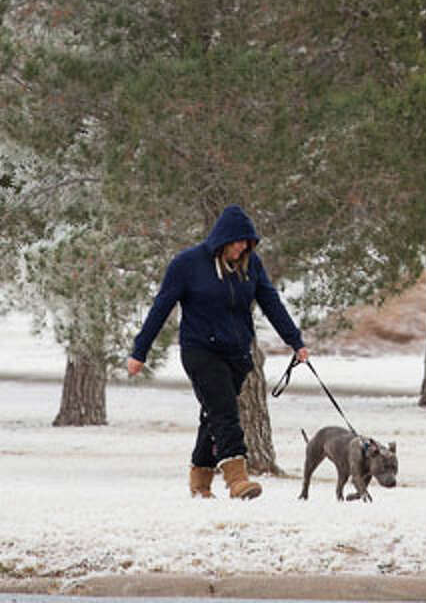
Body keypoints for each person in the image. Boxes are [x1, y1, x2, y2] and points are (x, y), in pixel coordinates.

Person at [126, 204, 308, 499]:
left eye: (246, 242)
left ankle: (200, 482)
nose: (242, 247)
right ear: (222, 239)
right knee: (225, 412)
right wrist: (140, 351)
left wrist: (295, 341)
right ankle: (237, 480)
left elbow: (271, 302)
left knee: (212, 416)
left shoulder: (251, 265)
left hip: (237, 354)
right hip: (200, 350)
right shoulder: (187, 264)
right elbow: (162, 307)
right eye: (237, 241)